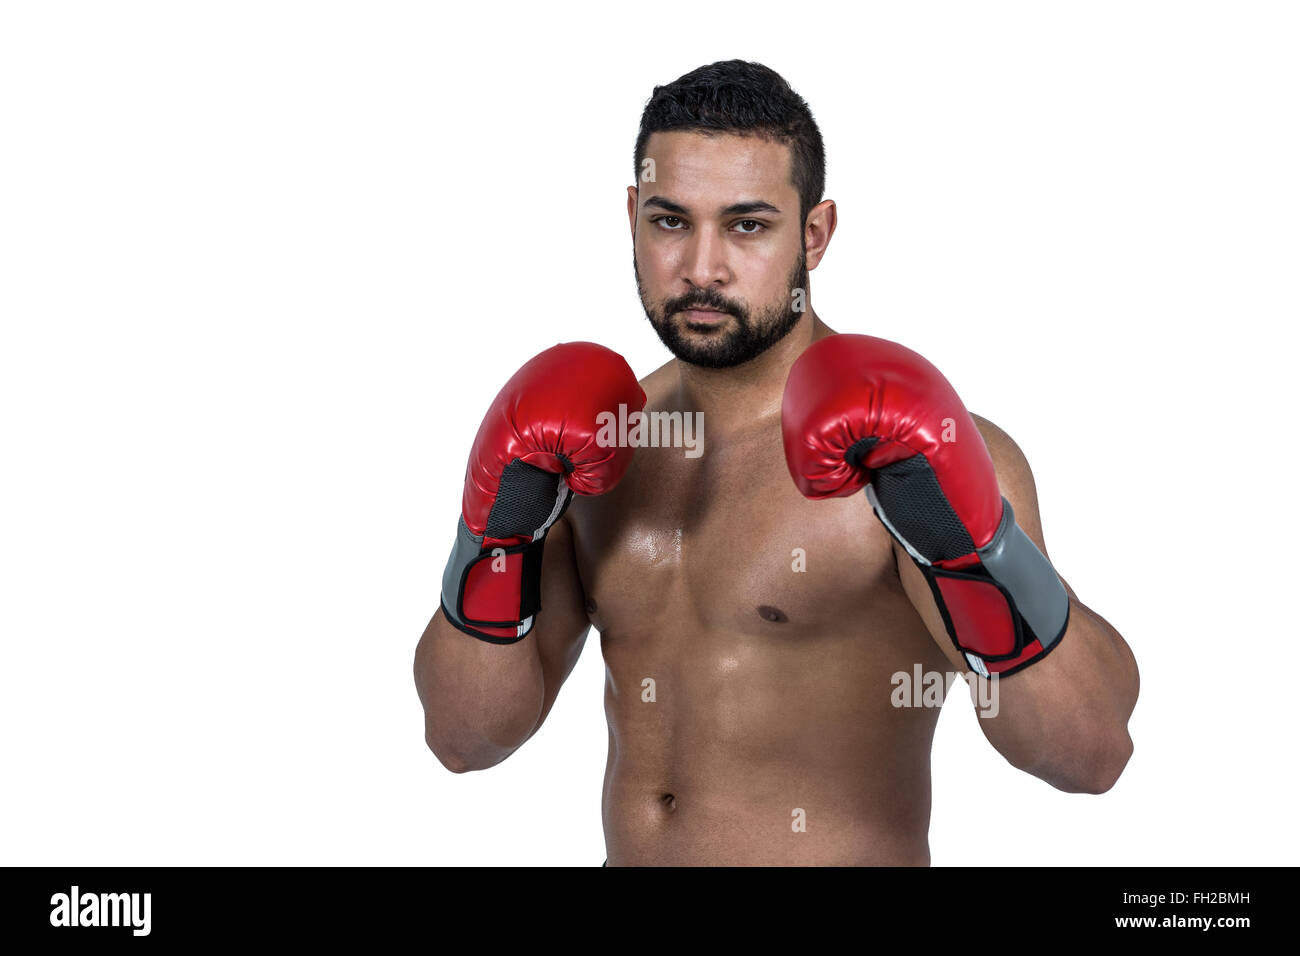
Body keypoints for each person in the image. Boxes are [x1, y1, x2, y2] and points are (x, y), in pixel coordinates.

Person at [414, 60, 1139, 866]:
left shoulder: (913, 457)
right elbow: (464, 738)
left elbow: (1091, 752)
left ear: (814, 235)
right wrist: (495, 531)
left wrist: (966, 545)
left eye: (747, 226)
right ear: (631, 218)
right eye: (670, 221)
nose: (702, 268)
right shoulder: (587, 446)